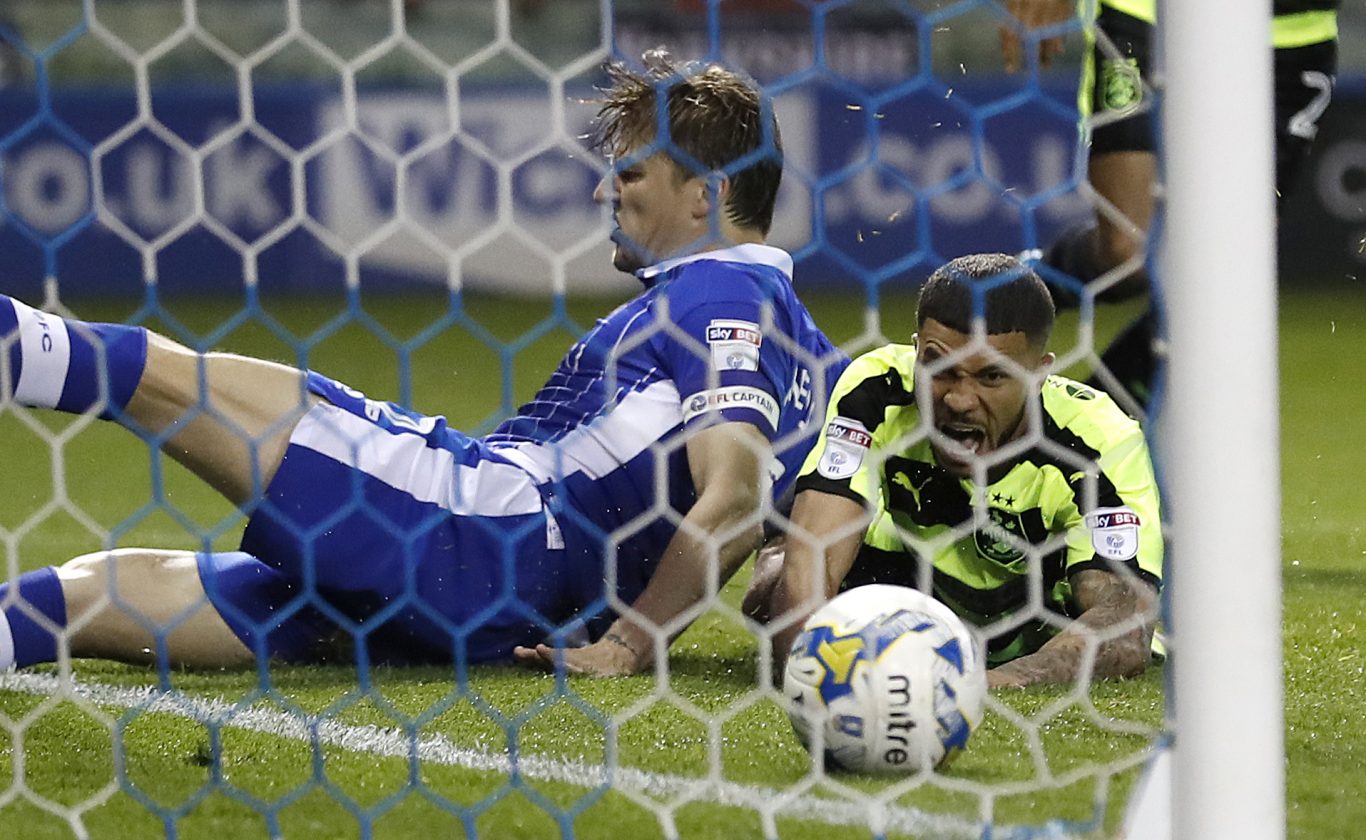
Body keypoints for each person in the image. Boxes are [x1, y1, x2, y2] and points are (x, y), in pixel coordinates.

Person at [0, 49, 847, 678]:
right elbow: (786, 543)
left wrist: (630, 644)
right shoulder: (812, 359)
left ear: (707, 194)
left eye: (630, 173)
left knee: (161, 381)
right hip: (507, 606)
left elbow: (734, 497)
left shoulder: (723, 293)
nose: (605, 192)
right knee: (93, 594)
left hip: (484, 529)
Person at [744, 253, 1162, 689]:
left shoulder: (1098, 441)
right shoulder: (877, 390)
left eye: (991, 376)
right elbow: (810, 561)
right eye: (939, 367)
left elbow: (1123, 625)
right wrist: (817, 677)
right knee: (773, 581)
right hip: (907, 582)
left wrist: (977, 686)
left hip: (1033, 623)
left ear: (1039, 376)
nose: (959, 400)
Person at [1002, 0, 1340, 408]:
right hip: (1149, 13)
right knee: (1127, 253)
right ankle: (1000, 295)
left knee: (1228, 281)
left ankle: (1082, 430)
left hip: (1291, 37)